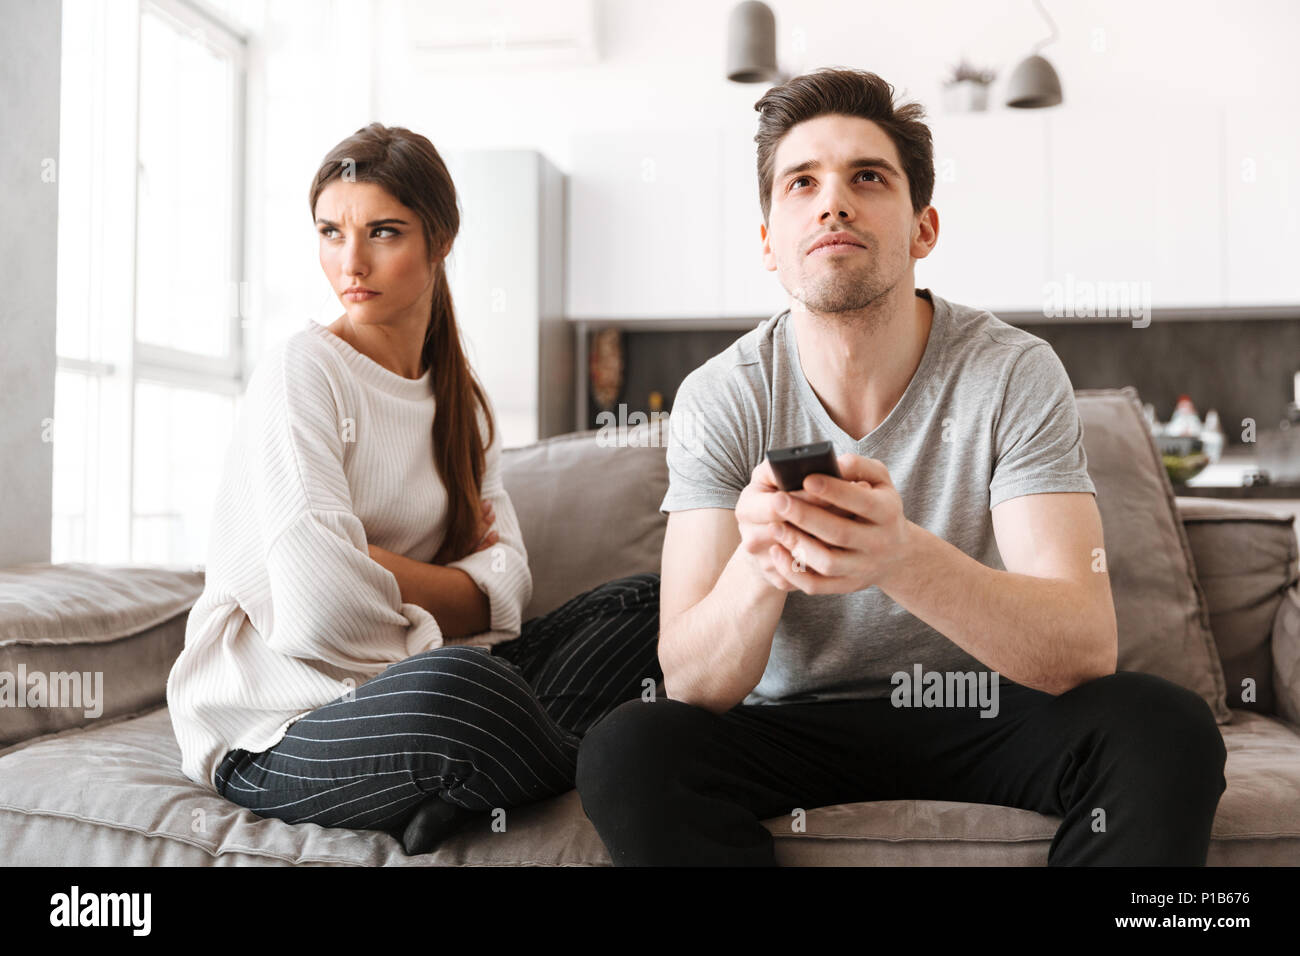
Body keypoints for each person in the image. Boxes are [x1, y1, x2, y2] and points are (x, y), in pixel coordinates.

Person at [574, 68, 1226, 866]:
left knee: (1164, 726)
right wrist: (763, 563)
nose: (833, 202)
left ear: (923, 228)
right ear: (769, 242)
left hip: (986, 708)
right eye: (801, 182)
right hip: (791, 724)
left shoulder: (1013, 371)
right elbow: (693, 683)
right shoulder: (721, 396)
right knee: (627, 748)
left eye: (868, 177)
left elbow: (1082, 648)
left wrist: (899, 556)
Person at [166, 122, 661, 856]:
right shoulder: (302, 372)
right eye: (331, 232)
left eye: (384, 232)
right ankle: (557, 763)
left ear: (441, 239)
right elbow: (319, 602)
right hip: (279, 725)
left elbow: (510, 587)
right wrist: (446, 592)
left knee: (649, 604)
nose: (350, 261)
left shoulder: (460, 399)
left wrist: (366, 558)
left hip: (427, 679)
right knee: (457, 691)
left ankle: (473, 784)